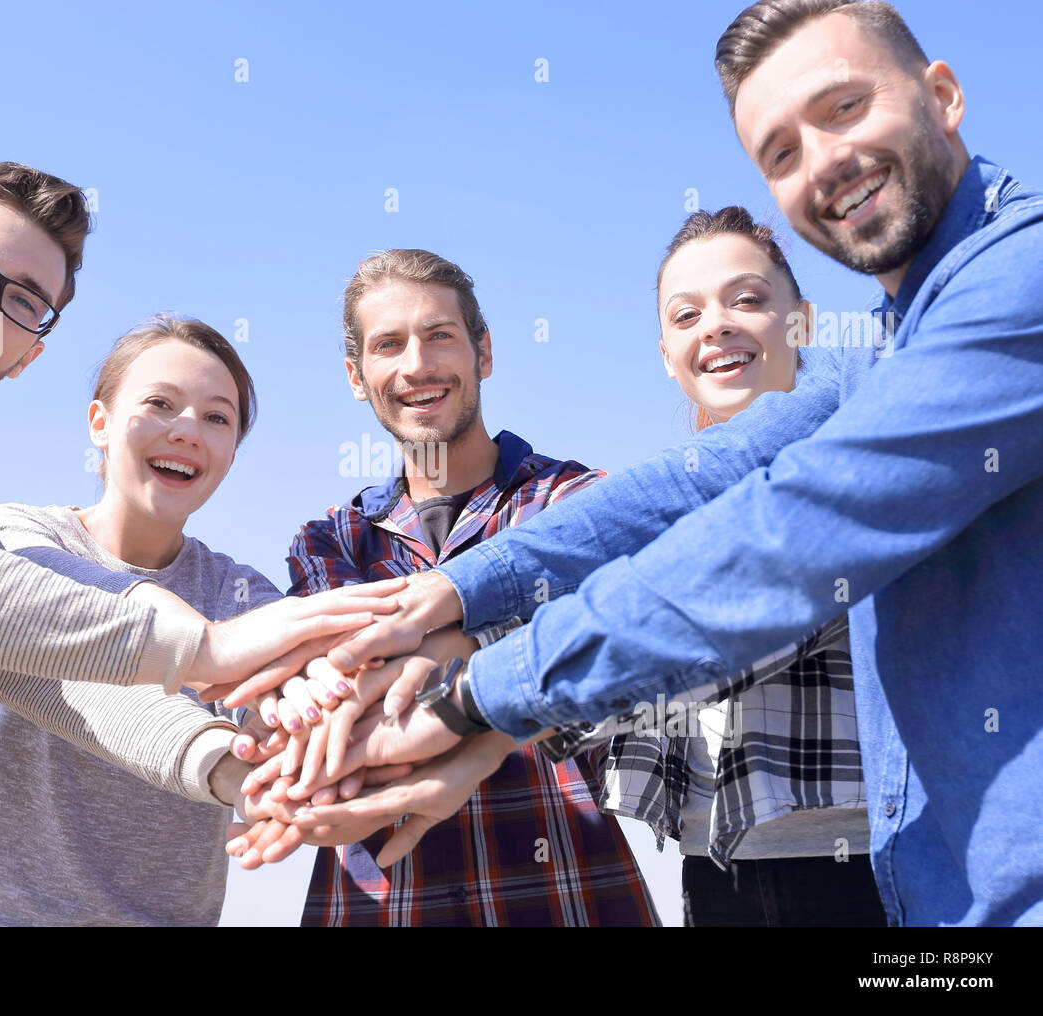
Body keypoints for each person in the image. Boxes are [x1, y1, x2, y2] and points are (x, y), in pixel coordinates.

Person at [252, 0, 1043, 927]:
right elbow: (692, 482)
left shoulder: (1015, 287)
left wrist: (476, 695)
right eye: (780, 152)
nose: (824, 162)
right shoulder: (880, 350)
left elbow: (784, 541)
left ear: (943, 94)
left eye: (844, 109)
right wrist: (451, 597)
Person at [0, 163, 398, 926]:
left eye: (22, 300)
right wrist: (203, 646)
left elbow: (60, 680)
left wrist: (235, 770)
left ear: (26, 357)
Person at [256, 250, 657, 926]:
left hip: (568, 894)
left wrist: (440, 650)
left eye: (439, 334)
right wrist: (511, 642)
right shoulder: (330, 542)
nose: (417, 365)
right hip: (381, 904)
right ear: (358, 377)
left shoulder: (573, 503)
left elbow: (611, 652)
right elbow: (349, 697)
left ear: (485, 353)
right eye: (388, 345)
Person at [0, 315, 288, 925]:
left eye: (217, 418)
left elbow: (285, 691)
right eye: (161, 403)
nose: (188, 430)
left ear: (231, 453)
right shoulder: (13, 537)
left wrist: (285, 723)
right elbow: (98, 610)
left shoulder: (238, 592)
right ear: (99, 424)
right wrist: (214, 655)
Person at [597, 205, 885, 926]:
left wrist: (497, 700)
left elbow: (730, 638)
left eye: (747, 300)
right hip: (713, 867)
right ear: (666, 353)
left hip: (853, 866)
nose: (715, 326)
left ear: (804, 323)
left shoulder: (849, 464)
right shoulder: (661, 503)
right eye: (685, 316)